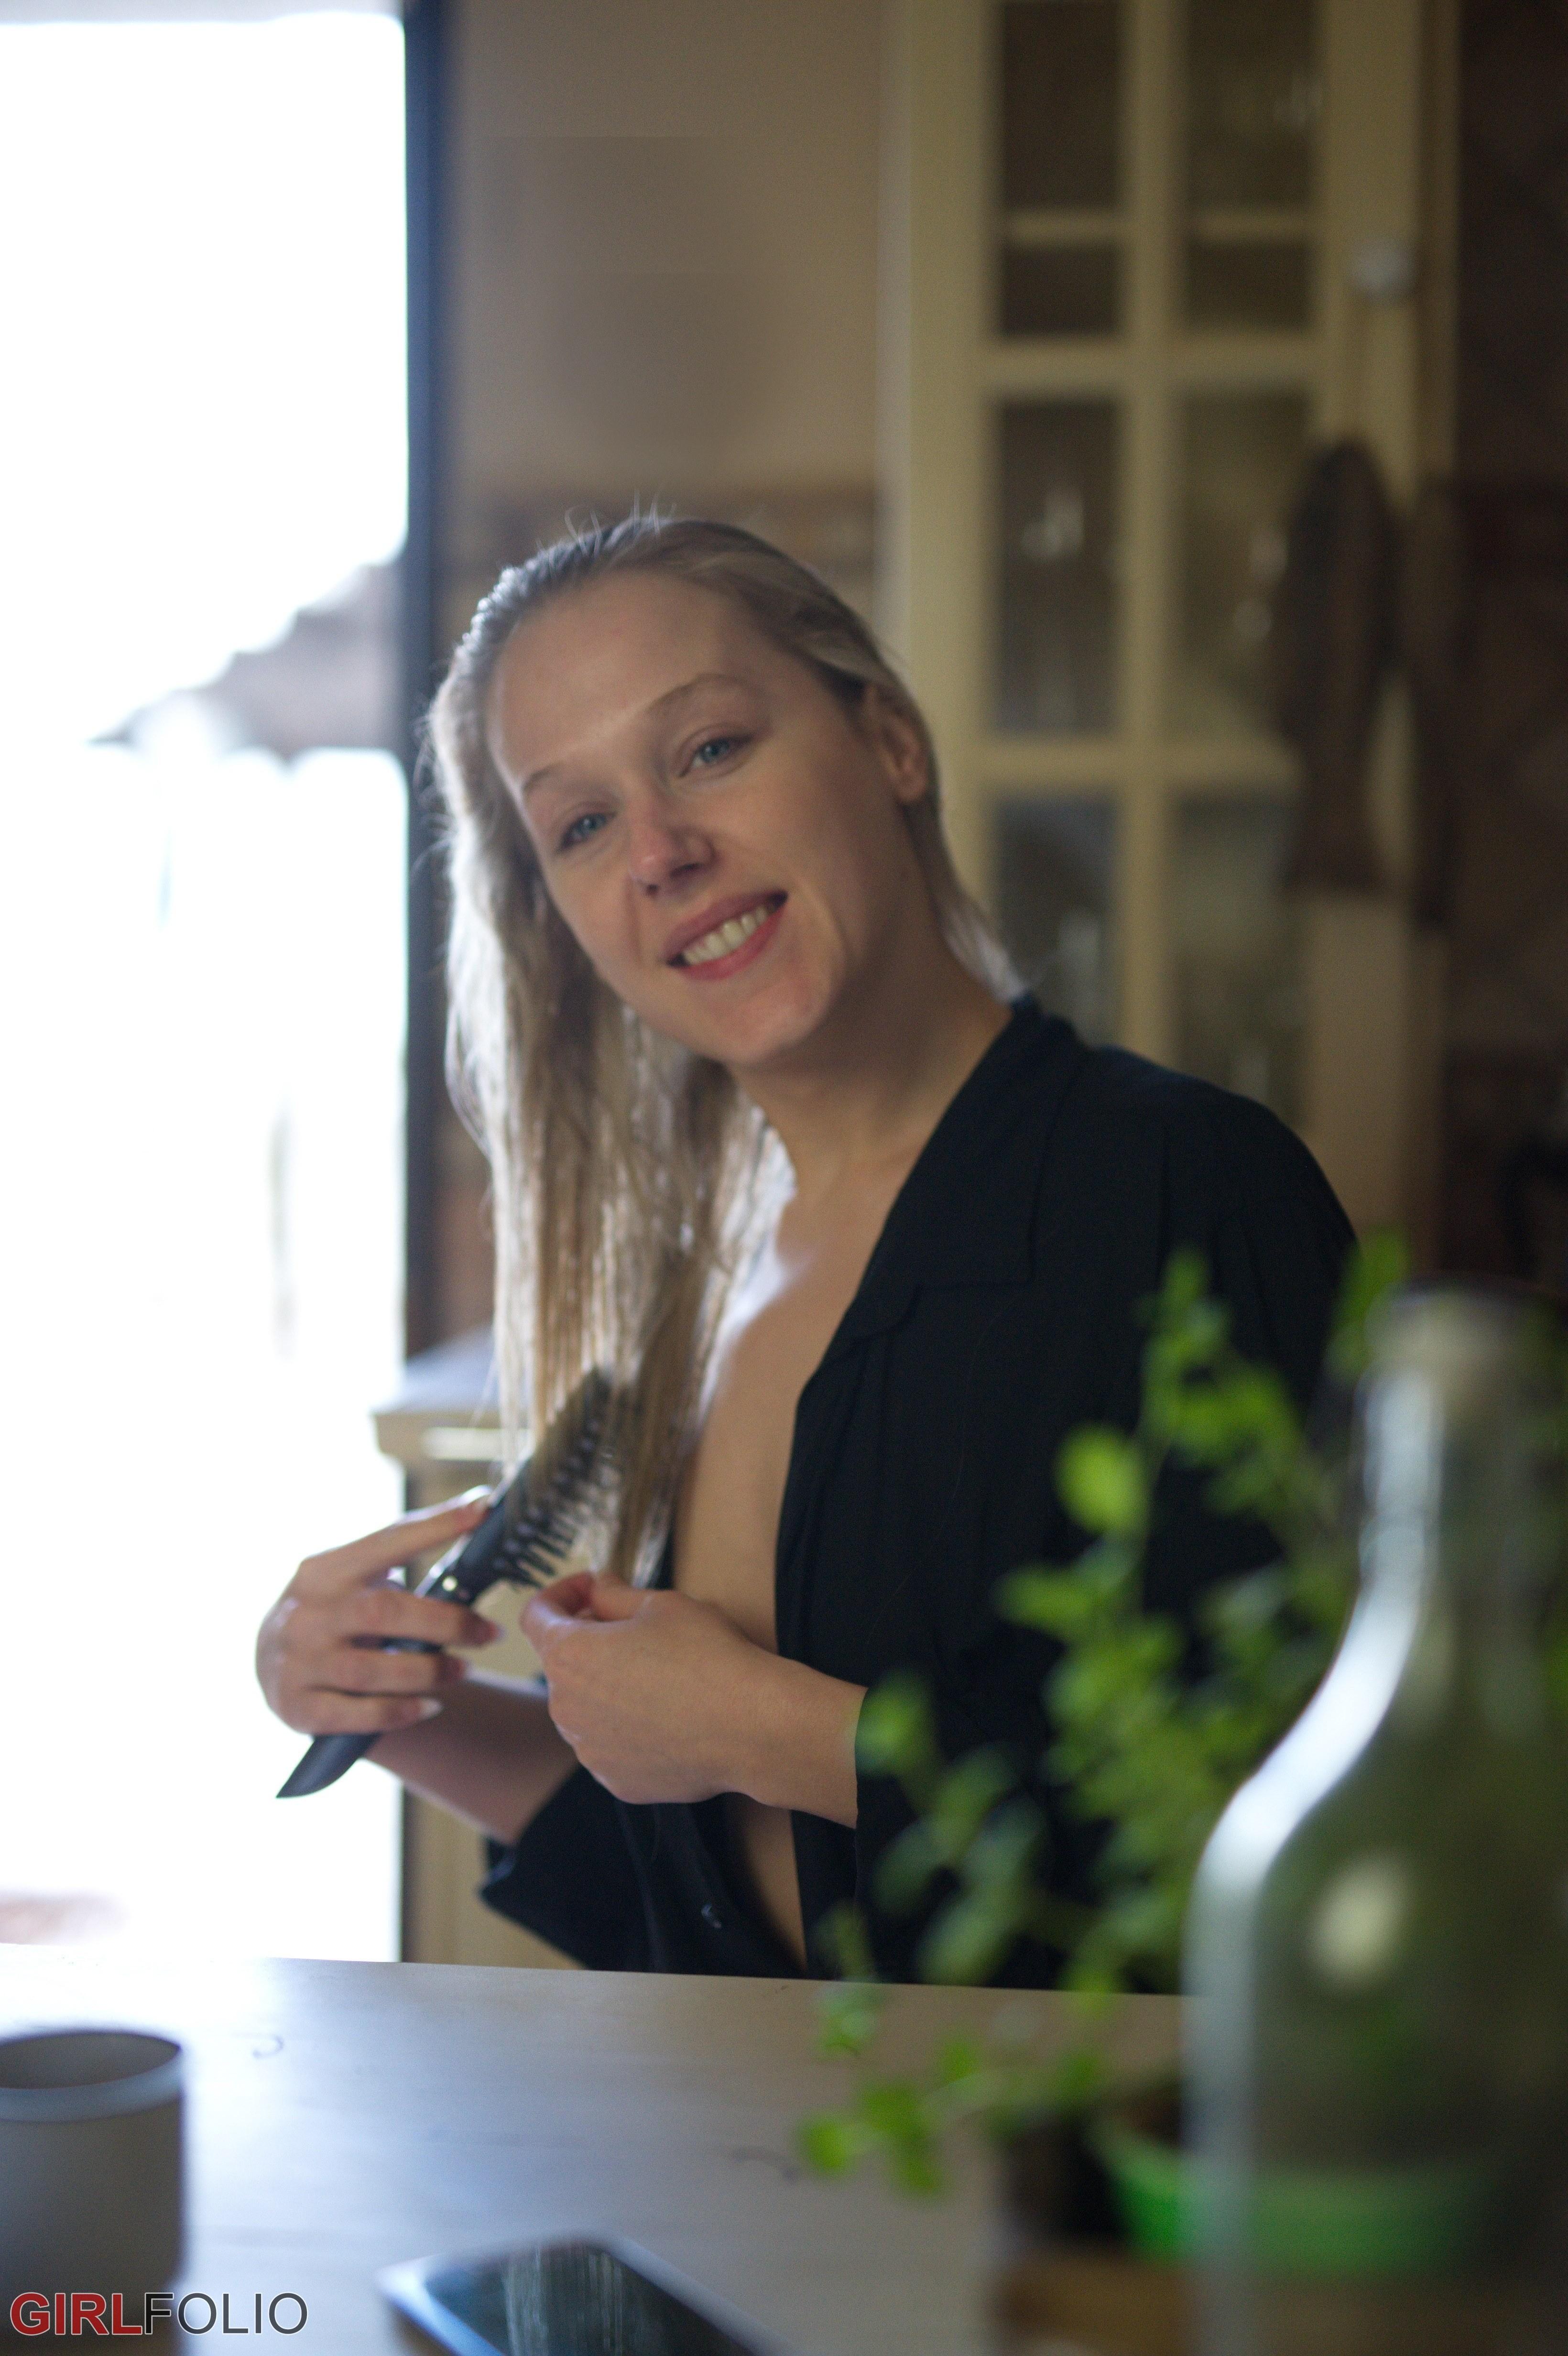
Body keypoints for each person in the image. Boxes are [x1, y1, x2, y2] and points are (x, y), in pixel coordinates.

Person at [257, 515, 1353, 1983]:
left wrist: (768, 1728)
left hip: (1070, 2133)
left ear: (889, 741)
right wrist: (393, 1706)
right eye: (581, 825)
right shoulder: (707, 1280)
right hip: (761, 2124)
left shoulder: (1189, 1191)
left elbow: (1306, 1822)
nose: (662, 852)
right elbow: (712, 1884)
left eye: (710, 749)